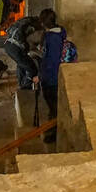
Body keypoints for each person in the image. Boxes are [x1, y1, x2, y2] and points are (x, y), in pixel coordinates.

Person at [34, 12, 71, 144]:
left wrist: (40, 76)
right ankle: (52, 130)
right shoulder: (59, 33)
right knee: (54, 105)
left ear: (43, 23)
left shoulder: (52, 38)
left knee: (54, 106)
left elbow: (51, 61)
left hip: (52, 79)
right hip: (54, 77)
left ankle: (54, 134)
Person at [0, 8, 52, 90]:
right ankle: (24, 90)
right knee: (32, 69)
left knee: (22, 65)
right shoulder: (39, 29)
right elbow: (33, 45)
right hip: (16, 48)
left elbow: (30, 45)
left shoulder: (30, 22)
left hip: (8, 45)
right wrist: (42, 55)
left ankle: (21, 86)